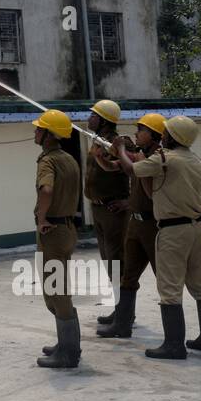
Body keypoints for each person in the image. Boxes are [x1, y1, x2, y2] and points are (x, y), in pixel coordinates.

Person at [113, 115, 201, 359]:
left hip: (173, 230)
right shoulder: (200, 163)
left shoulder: (164, 159)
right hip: (197, 229)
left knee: (170, 288)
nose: (163, 136)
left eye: (166, 133)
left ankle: (174, 345)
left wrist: (119, 148)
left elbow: (131, 170)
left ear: (171, 137)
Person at [95, 113, 164, 339]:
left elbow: (131, 166)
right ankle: (122, 324)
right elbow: (116, 166)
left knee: (164, 279)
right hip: (135, 223)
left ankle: (172, 335)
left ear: (154, 135)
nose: (136, 132)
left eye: (141, 129)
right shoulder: (142, 154)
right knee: (128, 276)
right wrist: (101, 157)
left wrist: (122, 149)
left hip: (152, 225)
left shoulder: (158, 157)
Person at [32, 109, 83, 369]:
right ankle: (67, 344)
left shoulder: (48, 161)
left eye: (39, 129)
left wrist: (41, 218)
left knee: (56, 291)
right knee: (57, 289)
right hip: (67, 229)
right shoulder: (70, 159)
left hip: (52, 232)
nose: (35, 131)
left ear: (49, 135)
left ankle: (69, 352)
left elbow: (47, 189)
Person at [83, 100, 128, 325]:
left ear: (103, 120)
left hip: (113, 210)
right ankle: (119, 309)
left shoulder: (119, 144)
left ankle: (124, 313)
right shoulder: (97, 141)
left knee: (117, 262)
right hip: (98, 208)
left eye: (93, 115)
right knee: (109, 262)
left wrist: (128, 201)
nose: (89, 118)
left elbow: (134, 171)